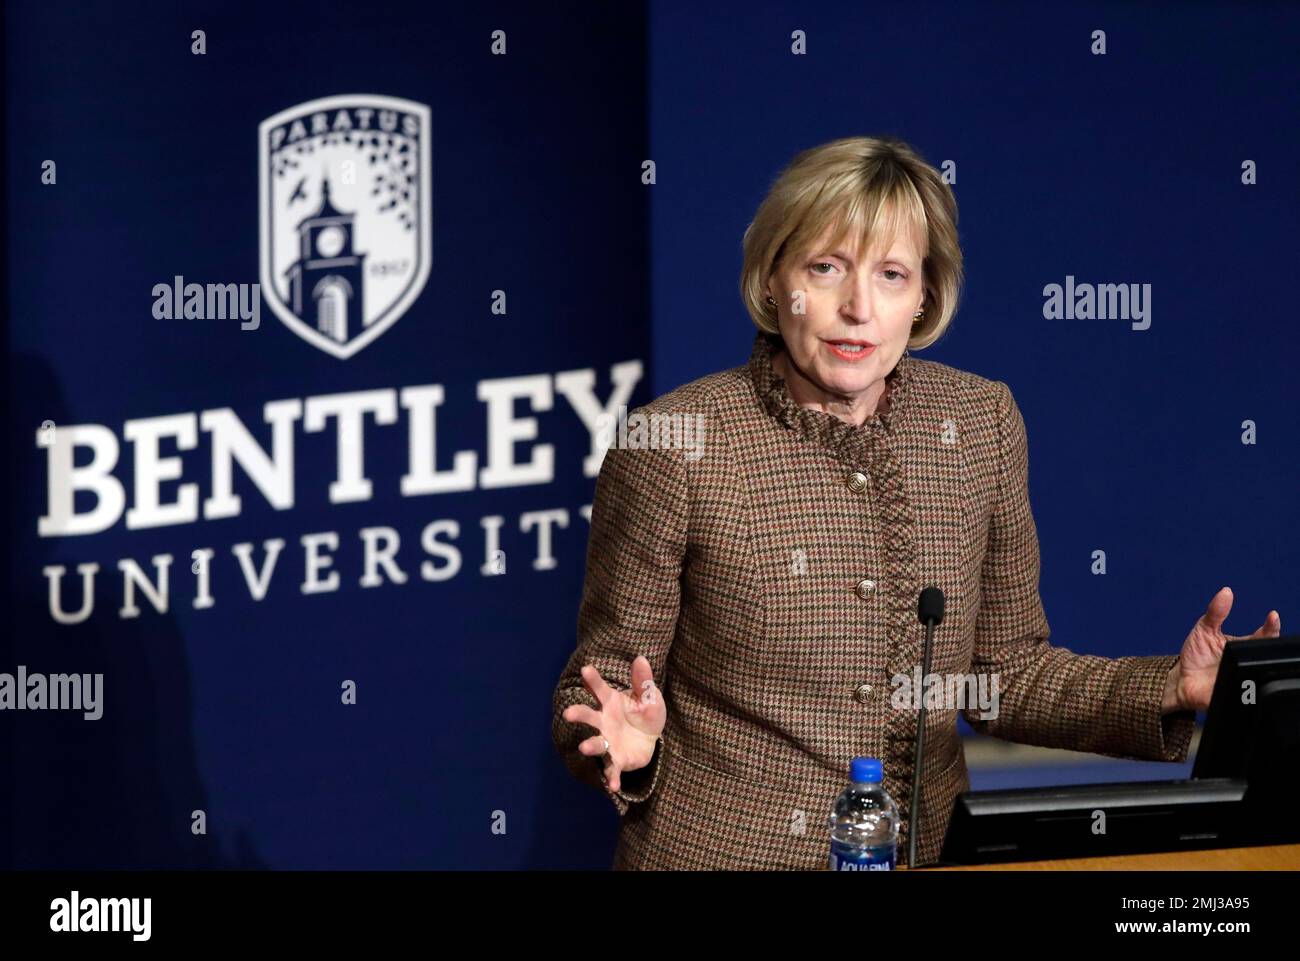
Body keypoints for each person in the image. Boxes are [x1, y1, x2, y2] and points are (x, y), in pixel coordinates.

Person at [549, 135, 1282, 870]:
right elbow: (598, 688)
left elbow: (1007, 676)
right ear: (774, 280)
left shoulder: (979, 423)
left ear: (925, 295)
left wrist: (1172, 685)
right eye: (826, 267)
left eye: (891, 275)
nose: (857, 307)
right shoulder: (673, 445)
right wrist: (626, 745)